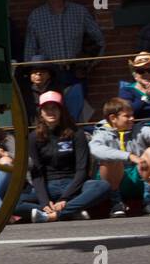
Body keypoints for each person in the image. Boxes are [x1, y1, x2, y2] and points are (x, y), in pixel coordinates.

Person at [14, 91, 109, 223]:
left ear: (61, 110)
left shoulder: (77, 134)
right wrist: (45, 202)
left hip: (74, 184)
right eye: (46, 108)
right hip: (49, 187)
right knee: (13, 202)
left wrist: (65, 198)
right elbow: (37, 173)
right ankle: (70, 211)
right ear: (41, 112)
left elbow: (82, 170)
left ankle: (55, 215)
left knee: (102, 186)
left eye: (54, 108)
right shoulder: (33, 137)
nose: (50, 112)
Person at [22, 0, 105, 121]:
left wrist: (89, 64)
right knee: (51, 115)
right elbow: (29, 52)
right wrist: (35, 75)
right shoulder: (36, 16)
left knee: (76, 116)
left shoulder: (79, 12)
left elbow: (99, 40)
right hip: (49, 75)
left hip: (75, 73)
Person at [90, 97, 150, 218]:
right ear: (113, 118)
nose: (132, 119)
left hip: (140, 178)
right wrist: (129, 156)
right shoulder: (101, 133)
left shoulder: (140, 129)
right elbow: (95, 149)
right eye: (127, 116)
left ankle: (148, 200)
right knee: (110, 158)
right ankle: (116, 203)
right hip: (112, 182)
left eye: (132, 115)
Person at [118, 51, 150, 119]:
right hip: (142, 126)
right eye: (141, 71)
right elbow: (127, 113)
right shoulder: (127, 90)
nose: (146, 74)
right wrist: (146, 97)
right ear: (135, 74)